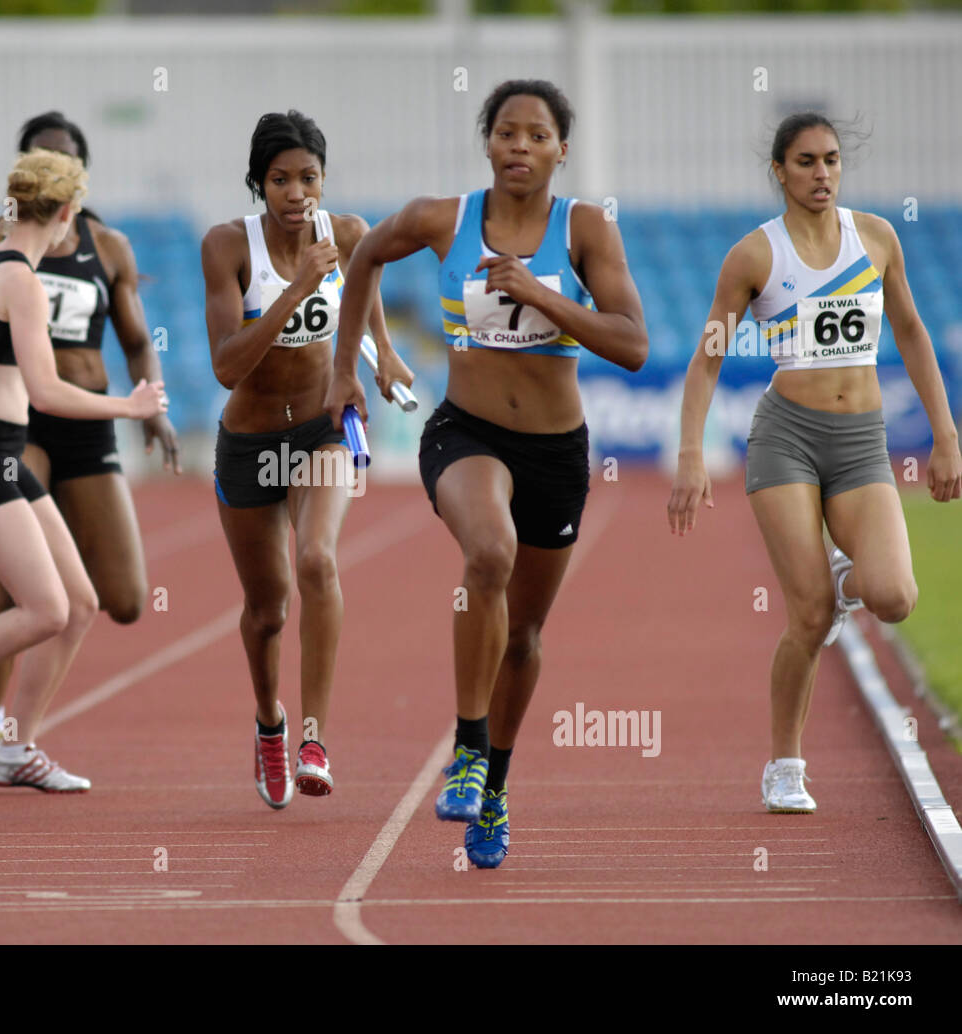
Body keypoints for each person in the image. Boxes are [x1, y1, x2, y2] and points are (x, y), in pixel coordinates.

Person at [326, 80, 648, 866]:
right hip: (465, 434)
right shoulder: (445, 219)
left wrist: (541, 293)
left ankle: (495, 788)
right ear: (488, 143)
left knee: (526, 635)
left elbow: (632, 345)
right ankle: (468, 749)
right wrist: (360, 363)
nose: (519, 147)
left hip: (555, 451)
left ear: (560, 150)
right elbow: (362, 251)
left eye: (537, 135)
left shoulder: (586, 229)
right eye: (506, 132)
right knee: (489, 552)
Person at [668, 113, 961, 813]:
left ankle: (841, 576)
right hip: (786, 438)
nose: (822, 173)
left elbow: (913, 332)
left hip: (862, 439)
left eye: (831, 159)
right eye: (806, 162)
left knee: (893, 595)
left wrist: (947, 437)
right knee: (808, 617)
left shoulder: (877, 238)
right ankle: (785, 765)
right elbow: (707, 359)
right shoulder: (754, 258)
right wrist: (689, 454)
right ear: (780, 171)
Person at [0, 112, 179, 778]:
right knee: (43, 604)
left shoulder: (5, 264)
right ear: (62, 207)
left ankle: (12, 749)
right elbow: (46, 390)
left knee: (84, 602)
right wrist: (134, 404)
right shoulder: (12, 272)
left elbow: (90, 359)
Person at [202, 110, 394, 809]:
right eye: (281, 179)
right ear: (258, 182)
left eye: (308, 177)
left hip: (321, 429)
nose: (296, 193)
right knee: (267, 610)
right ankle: (270, 721)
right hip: (251, 442)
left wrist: (384, 354)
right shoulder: (228, 246)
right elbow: (227, 365)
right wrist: (295, 289)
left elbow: (365, 282)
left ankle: (315, 737)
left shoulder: (343, 233)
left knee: (317, 559)